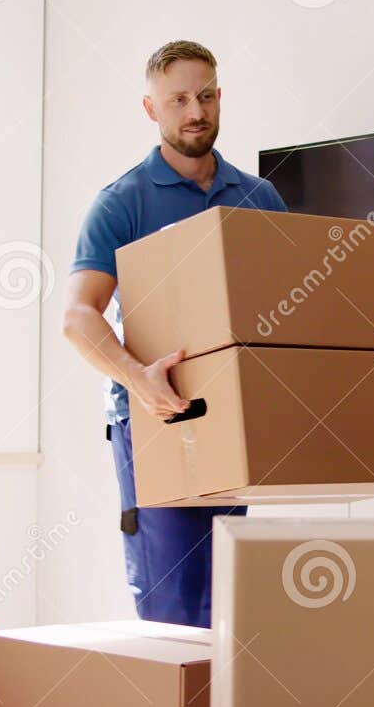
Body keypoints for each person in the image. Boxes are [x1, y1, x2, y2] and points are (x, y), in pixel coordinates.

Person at [63, 40, 288, 627]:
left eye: (206, 96)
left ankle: (218, 694)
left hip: (231, 417)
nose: (196, 112)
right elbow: (79, 317)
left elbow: (289, 301)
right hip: (155, 420)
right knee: (173, 603)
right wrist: (138, 380)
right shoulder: (123, 202)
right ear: (150, 109)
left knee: (226, 599)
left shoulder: (258, 198)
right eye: (179, 100)